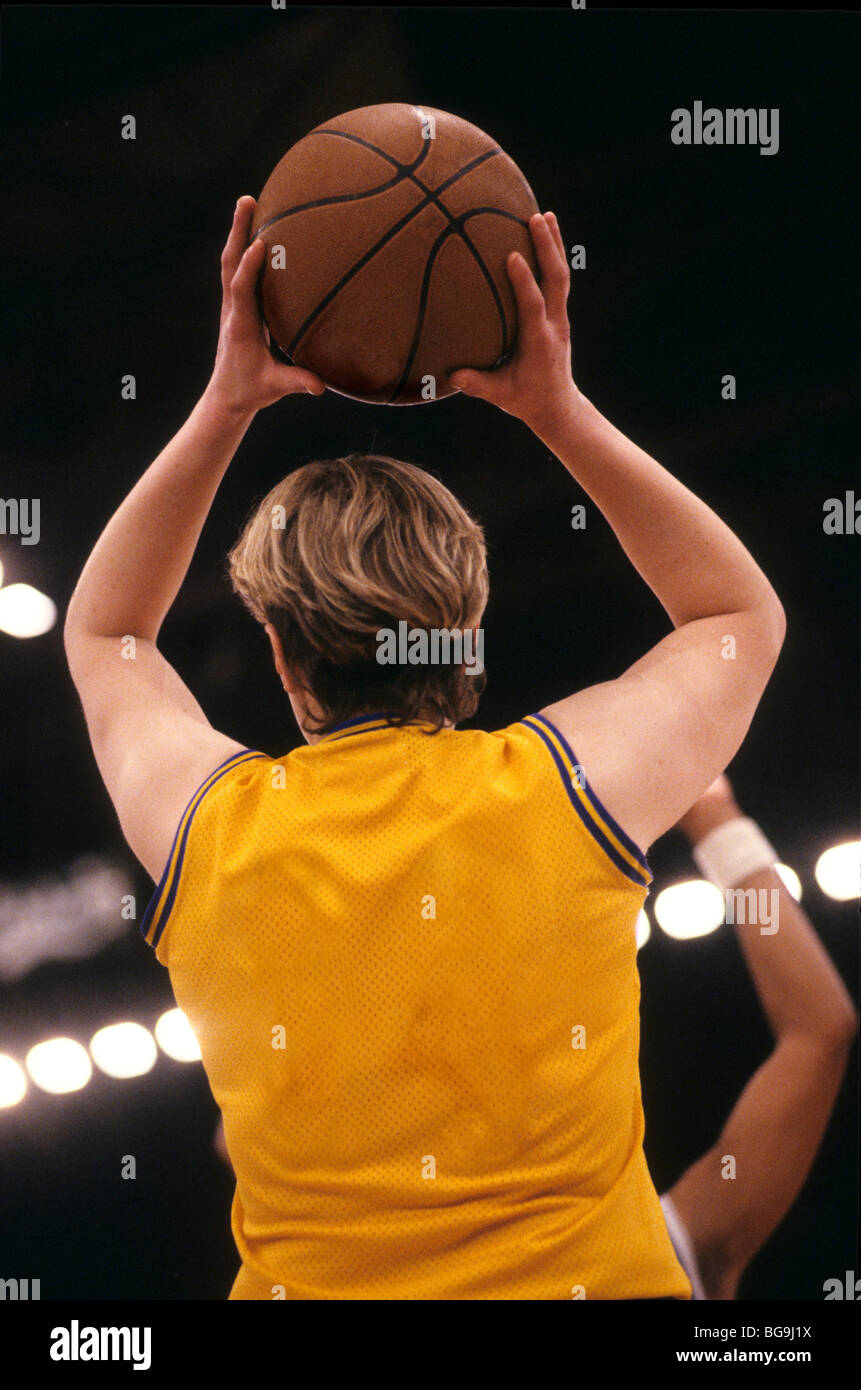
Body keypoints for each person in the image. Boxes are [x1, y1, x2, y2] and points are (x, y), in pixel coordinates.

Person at [64, 196, 785, 1299]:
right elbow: (737, 618)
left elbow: (106, 630)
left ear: (278, 647)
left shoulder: (210, 823)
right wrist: (556, 407)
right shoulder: (560, 787)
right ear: (468, 619)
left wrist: (227, 399)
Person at [659, 774, 857, 1300]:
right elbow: (816, 1034)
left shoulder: (658, 1244)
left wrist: (714, 818)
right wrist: (712, 816)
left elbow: (818, 1033)